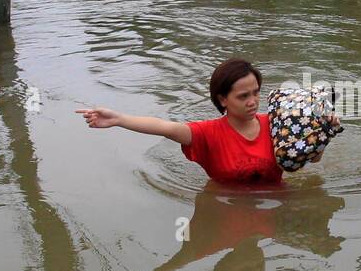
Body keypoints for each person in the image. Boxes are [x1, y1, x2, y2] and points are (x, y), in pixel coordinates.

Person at [78, 58, 316, 185]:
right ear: (223, 99)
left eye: (256, 92)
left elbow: (311, 157)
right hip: (228, 204)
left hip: (276, 203)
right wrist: (119, 119)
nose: (253, 101)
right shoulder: (207, 134)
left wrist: (322, 133)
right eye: (243, 96)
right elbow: (165, 127)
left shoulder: (277, 124)